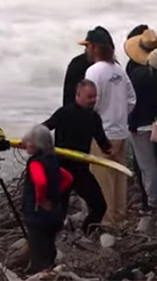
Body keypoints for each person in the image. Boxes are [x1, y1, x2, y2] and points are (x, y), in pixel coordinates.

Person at [44, 79, 111, 233]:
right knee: (59, 211)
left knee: (100, 206)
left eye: (95, 96)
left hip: (81, 170)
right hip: (61, 170)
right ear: (78, 95)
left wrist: (109, 150)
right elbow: (44, 128)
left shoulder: (94, 117)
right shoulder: (64, 113)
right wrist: (31, 140)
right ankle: (53, 239)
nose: (93, 100)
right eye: (89, 97)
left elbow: (102, 141)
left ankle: (85, 233)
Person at [83, 29, 136, 225]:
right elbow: (132, 99)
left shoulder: (93, 71)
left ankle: (106, 224)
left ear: (95, 47)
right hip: (120, 131)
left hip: (103, 134)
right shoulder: (119, 70)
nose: (86, 50)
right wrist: (119, 115)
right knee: (119, 178)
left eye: (88, 46)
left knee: (103, 181)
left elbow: (91, 101)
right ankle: (119, 218)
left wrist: (95, 120)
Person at [21, 125, 73, 274]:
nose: (25, 144)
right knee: (49, 249)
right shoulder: (52, 160)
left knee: (39, 253)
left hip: (38, 216)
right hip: (54, 213)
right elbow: (68, 178)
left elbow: (41, 182)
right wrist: (55, 193)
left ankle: (42, 274)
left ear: (35, 144)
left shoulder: (36, 163)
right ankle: (52, 272)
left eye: (28, 141)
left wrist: (41, 199)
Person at [128, 46, 157, 217]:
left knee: (147, 165)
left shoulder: (139, 76)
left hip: (142, 126)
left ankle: (152, 201)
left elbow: (132, 102)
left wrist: (131, 124)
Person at [63, 36, 97, 107]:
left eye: (87, 46)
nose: (85, 50)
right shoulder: (77, 63)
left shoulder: (77, 62)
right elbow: (68, 94)